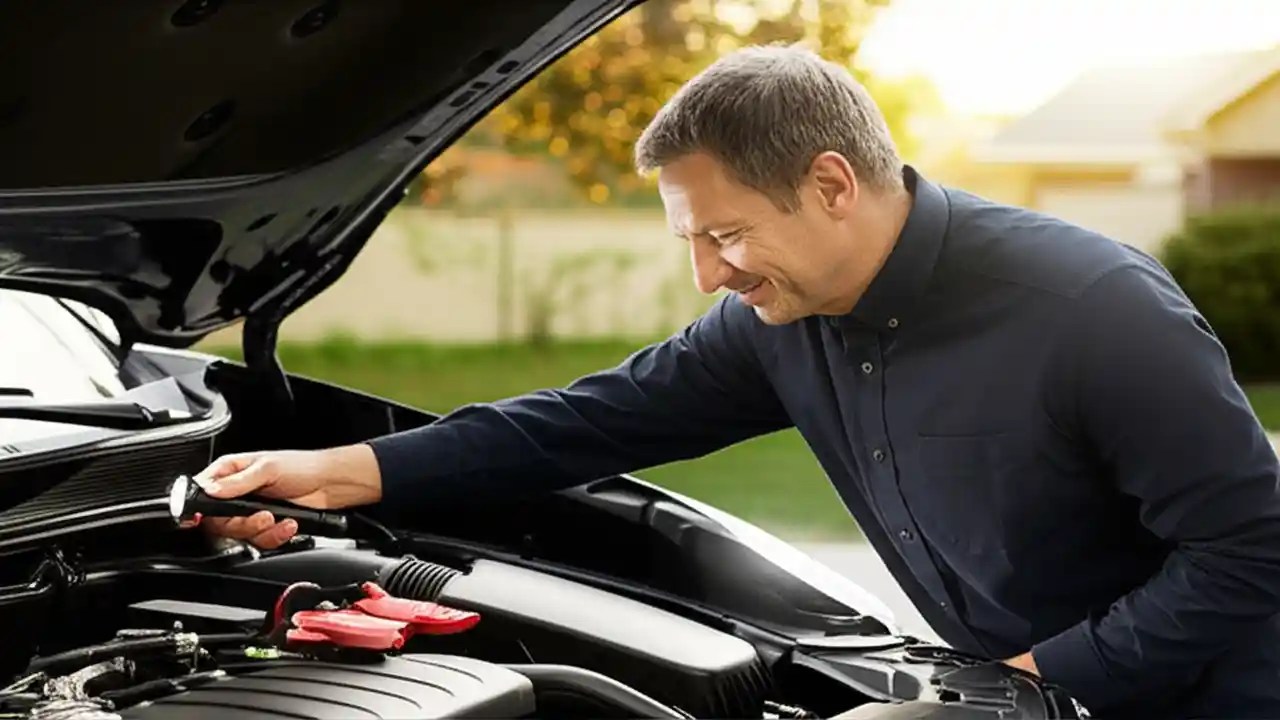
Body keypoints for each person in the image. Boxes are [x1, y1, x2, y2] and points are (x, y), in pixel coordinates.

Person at [190, 45, 1280, 718]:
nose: (709, 273)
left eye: (724, 235)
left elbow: (1250, 544)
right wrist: (342, 470)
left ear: (830, 183)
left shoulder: (1092, 309)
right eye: (691, 241)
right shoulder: (772, 322)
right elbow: (581, 425)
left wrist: (1045, 678)